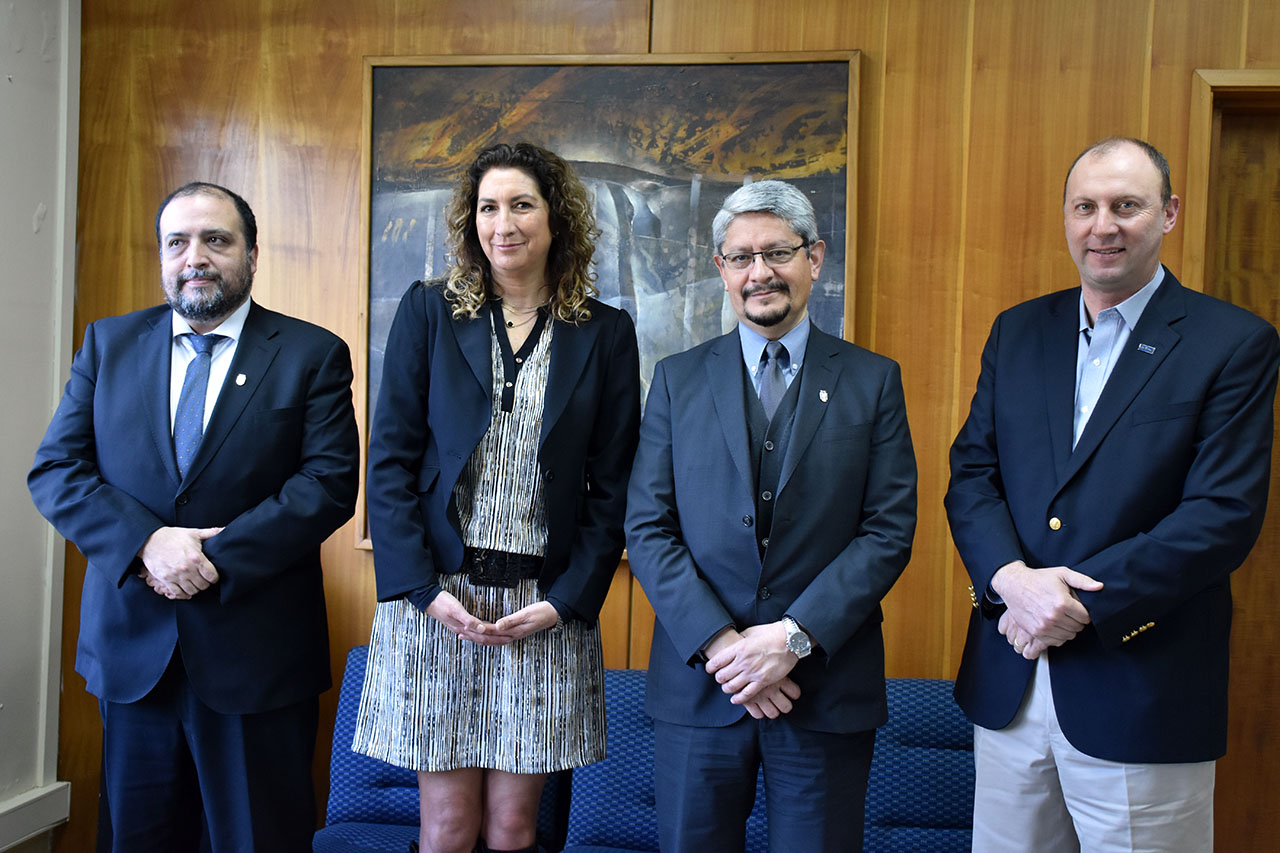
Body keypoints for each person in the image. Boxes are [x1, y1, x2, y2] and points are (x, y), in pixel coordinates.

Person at [946, 137, 1280, 851]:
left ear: (1169, 214)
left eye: (1127, 205)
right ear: (1066, 218)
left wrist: (1071, 603)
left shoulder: (1234, 342)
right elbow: (973, 474)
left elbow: (1221, 516)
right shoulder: (1018, 329)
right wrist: (1013, 581)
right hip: (1011, 684)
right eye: (1086, 206)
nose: (1104, 225)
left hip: (1142, 689)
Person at [28, 182, 360, 851]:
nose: (195, 257)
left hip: (256, 658)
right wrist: (148, 543)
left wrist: (209, 557)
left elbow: (327, 485)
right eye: (177, 242)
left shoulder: (309, 353)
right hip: (132, 655)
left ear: (252, 254)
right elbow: (57, 471)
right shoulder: (109, 345)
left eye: (217, 239)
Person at [352, 142, 641, 853]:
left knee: (514, 828)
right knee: (446, 828)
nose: (502, 223)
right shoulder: (427, 311)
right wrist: (420, 590)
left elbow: (614, 492)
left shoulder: (604, 332)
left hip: (545, 605)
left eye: (521, 204)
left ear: (555, 218)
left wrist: (569, 600)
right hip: (437, 602)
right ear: (470, 220)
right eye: (488, 207)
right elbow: (388, 462)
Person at [624, 179, 917, 851]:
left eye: (778, 252)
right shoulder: (676, 379)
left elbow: (888, 528)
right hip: (703, 687)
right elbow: (648, 526)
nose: (761, 272)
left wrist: (791, 639)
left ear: (814, 258)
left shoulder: (873, 381)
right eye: (741, 256)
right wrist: (726, 648)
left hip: (823, 689)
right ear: (721, 269)